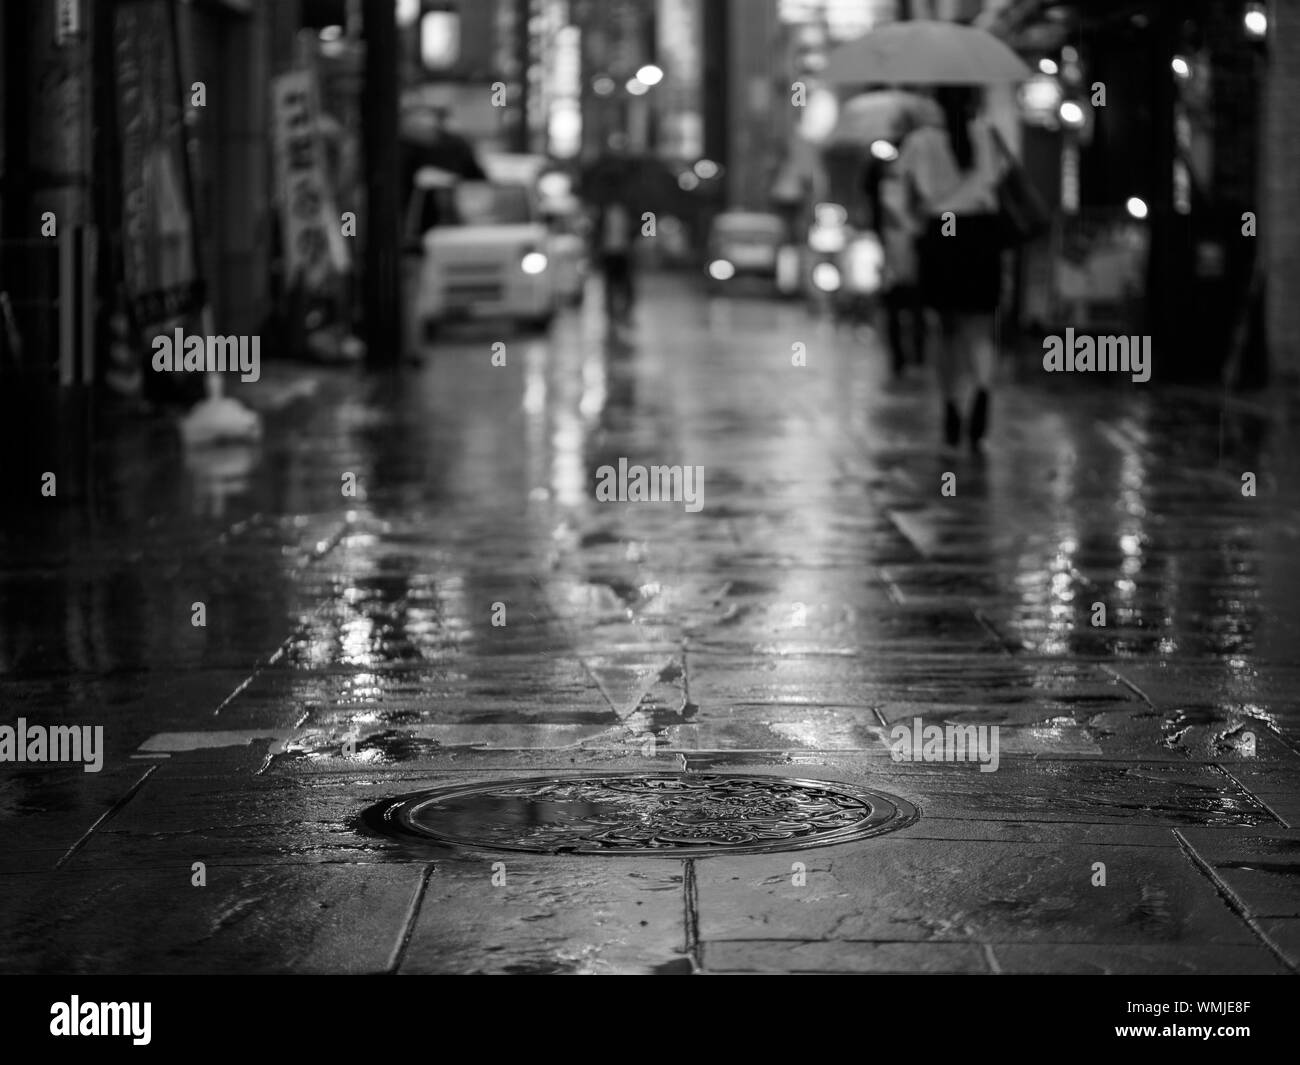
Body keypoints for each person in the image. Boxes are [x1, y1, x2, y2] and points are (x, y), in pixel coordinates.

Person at [898, 85, 1007, 450]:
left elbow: (905, 201)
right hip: (980, 234)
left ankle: (951, 407)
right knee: (979, 329)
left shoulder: (919, 142)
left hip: (942, 234)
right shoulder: (987, 135)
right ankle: (982, 391)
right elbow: (998, 183)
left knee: (945, 330)